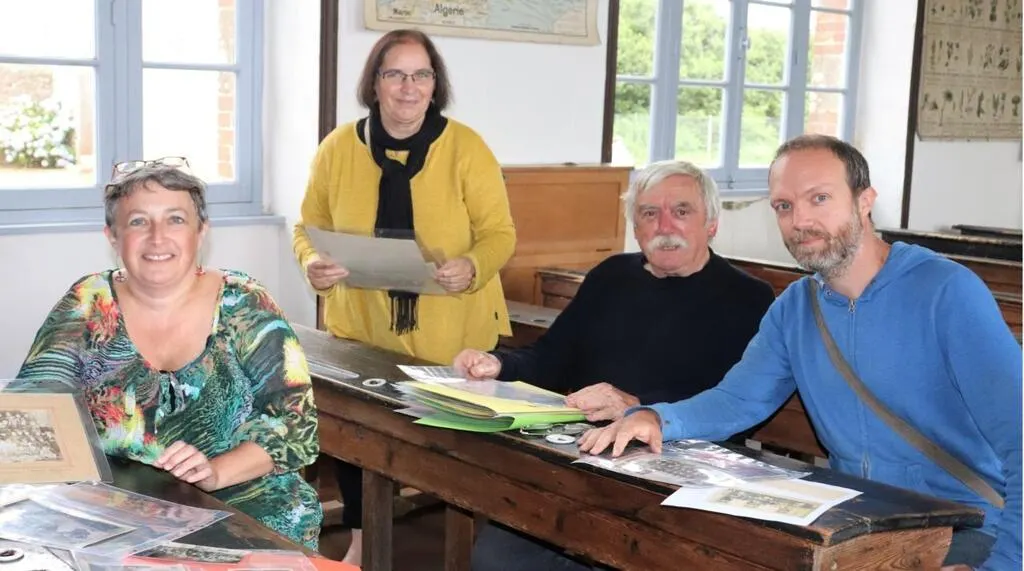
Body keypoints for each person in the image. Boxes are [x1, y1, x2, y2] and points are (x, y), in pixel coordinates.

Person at [579, 135, 1022, 571]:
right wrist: (655, 418)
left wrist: (1004, 564)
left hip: (966, 527)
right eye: (784, 206)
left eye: (819, 198)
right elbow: (738, 400)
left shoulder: (945, 293)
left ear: (864, 201)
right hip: (862, 526)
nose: (800, 220)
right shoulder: (796, 308)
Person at [452, 159, 776, 571]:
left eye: (681, 211)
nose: (665, 226)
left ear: (711, 223)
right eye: (649, 213)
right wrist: (498, 364)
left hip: (677, 471)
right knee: (496, 558)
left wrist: (638, 405)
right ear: (635, 227)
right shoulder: (611, 276)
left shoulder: (748, 297)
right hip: (585, 458)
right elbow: (553, 357)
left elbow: (734, 406)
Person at [291, 30, 516, 565]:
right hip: (362, 328)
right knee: (357, 438)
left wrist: (473, 265)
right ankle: (362, 544)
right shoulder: (338, 148)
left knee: (453, 451)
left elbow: (499, 234)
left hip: (451, 329)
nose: (408, 87)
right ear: (375, 83)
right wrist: (313, 264)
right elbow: (306, 228)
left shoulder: (466, 147)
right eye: (395, 74)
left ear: (436, 85)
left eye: (421, 75)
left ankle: (470, 547)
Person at [17, 161, 322, 549]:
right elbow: (32, 410)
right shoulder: (87, 304)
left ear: (201, 231)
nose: (157, 238)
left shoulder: (244, 302)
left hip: (249, 510)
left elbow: (295, 423)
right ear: (113, 236)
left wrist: (215, 471)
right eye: (138, 222)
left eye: (175, 219)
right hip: (117, 514)